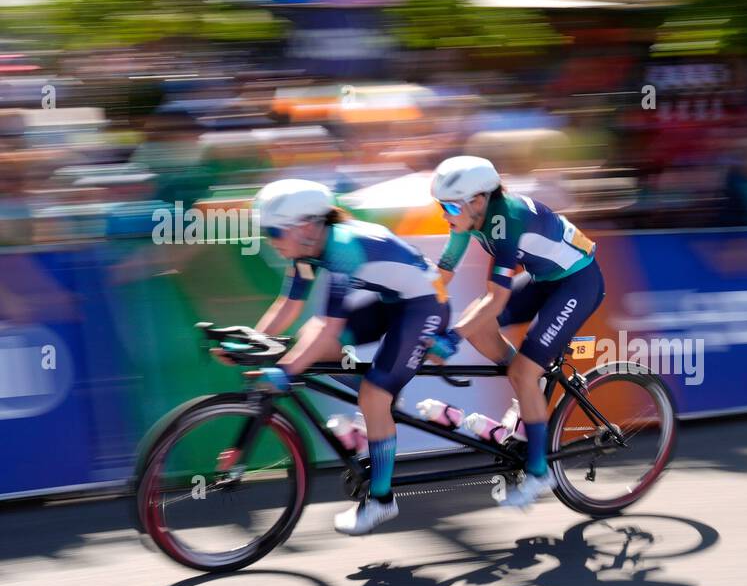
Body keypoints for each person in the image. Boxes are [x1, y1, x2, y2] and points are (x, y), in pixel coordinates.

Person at [249, 179, 451, 535]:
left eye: (274, 232)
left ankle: (381, 501)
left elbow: (328, 325)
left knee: (369, 391)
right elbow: (289, 305)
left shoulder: (343, 248)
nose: (271, 241)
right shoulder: (308, 249)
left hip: (424, 305)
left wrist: (283, 371)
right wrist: (253, 343)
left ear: (307, 226)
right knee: (313, 346)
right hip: (393, 302)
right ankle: (380, 402)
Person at [429, 155, 605, 507]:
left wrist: (451, 338)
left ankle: (540, 473)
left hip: (577, 283)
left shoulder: (505, 220)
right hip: (545, 278)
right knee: (480, 329)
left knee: (520, 369)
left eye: (448, 206)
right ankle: (532, 388)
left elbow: (496, 299)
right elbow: (445, 271)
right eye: (439, 206)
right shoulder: (471, 217)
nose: (444, 214)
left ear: (477, 199)